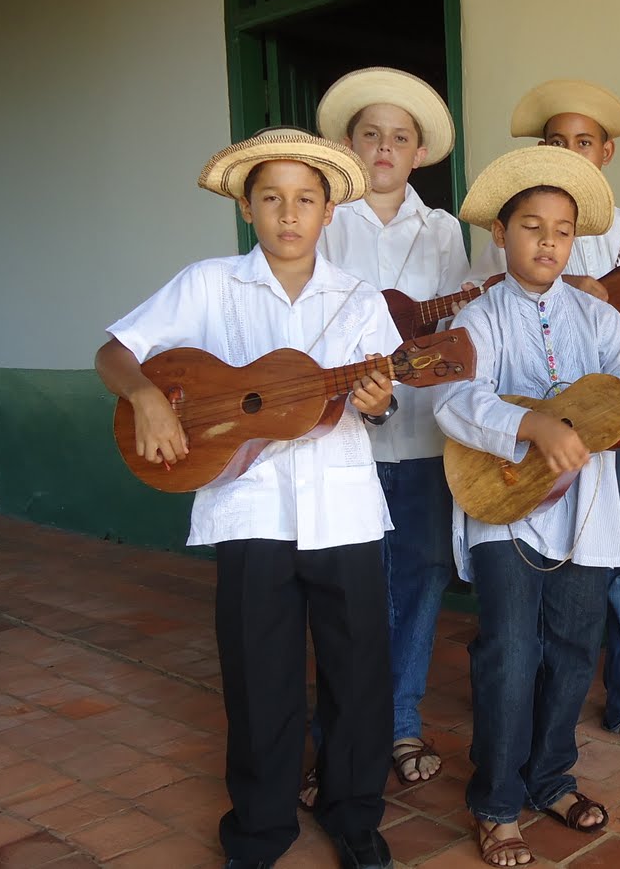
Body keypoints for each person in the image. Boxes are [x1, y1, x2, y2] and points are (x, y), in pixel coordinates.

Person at [94, 128, 398, 869]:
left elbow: (386, 406)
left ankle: (353, 812)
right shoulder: (206, 285)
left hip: (345, 509)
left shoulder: (360, 300)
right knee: (259, 675)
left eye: (305, 200)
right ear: (247, 210)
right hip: (249, 506)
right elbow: (114, 350)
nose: (288, 214)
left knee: (358, 673)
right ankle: (261, 827)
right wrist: (147, 399)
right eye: (271, 199)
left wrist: (382, 399)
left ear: (330, 213)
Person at [435, 146, 620, 866]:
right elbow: (455, 397)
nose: (548, 241)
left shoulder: (599, 318)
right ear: (499, 233)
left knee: (576, 651)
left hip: (585, 512)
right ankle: (494, 801)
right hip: (500, 508)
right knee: (510, 654)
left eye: (562, 229)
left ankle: (549, 777)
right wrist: (533, 424)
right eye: (531, 226)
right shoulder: (479, 316)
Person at [473, 79, 620, 748]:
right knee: (532, 559)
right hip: (530, 426)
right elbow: (480, 323)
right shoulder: (509, 233)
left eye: (584, 142)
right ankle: (527, 701)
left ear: (606, 152)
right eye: (557, 142)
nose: (572, 152)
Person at [302, 66, 467, 794]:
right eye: (371, 134)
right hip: (345, 436)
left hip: (425, 433)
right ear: (348, 142)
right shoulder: (326, 221)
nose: (384, 148)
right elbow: (312, 318)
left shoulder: (444, 230)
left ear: (419, 152)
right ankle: (335, 734)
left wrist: (417, 353)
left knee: (423, 577)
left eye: (400, 137)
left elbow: (452, 327)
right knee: (349, 587)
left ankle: (399, 720)